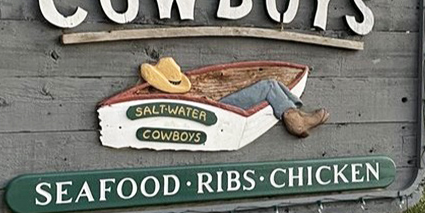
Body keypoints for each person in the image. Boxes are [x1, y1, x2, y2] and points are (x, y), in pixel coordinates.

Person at [140, 57, 329, 139]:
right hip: (216, 112)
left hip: (213, 109)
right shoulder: (170, 98)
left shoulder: (165, 95)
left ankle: (296, 114)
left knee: (273, 84)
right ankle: (294, 119)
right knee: (269, 86)